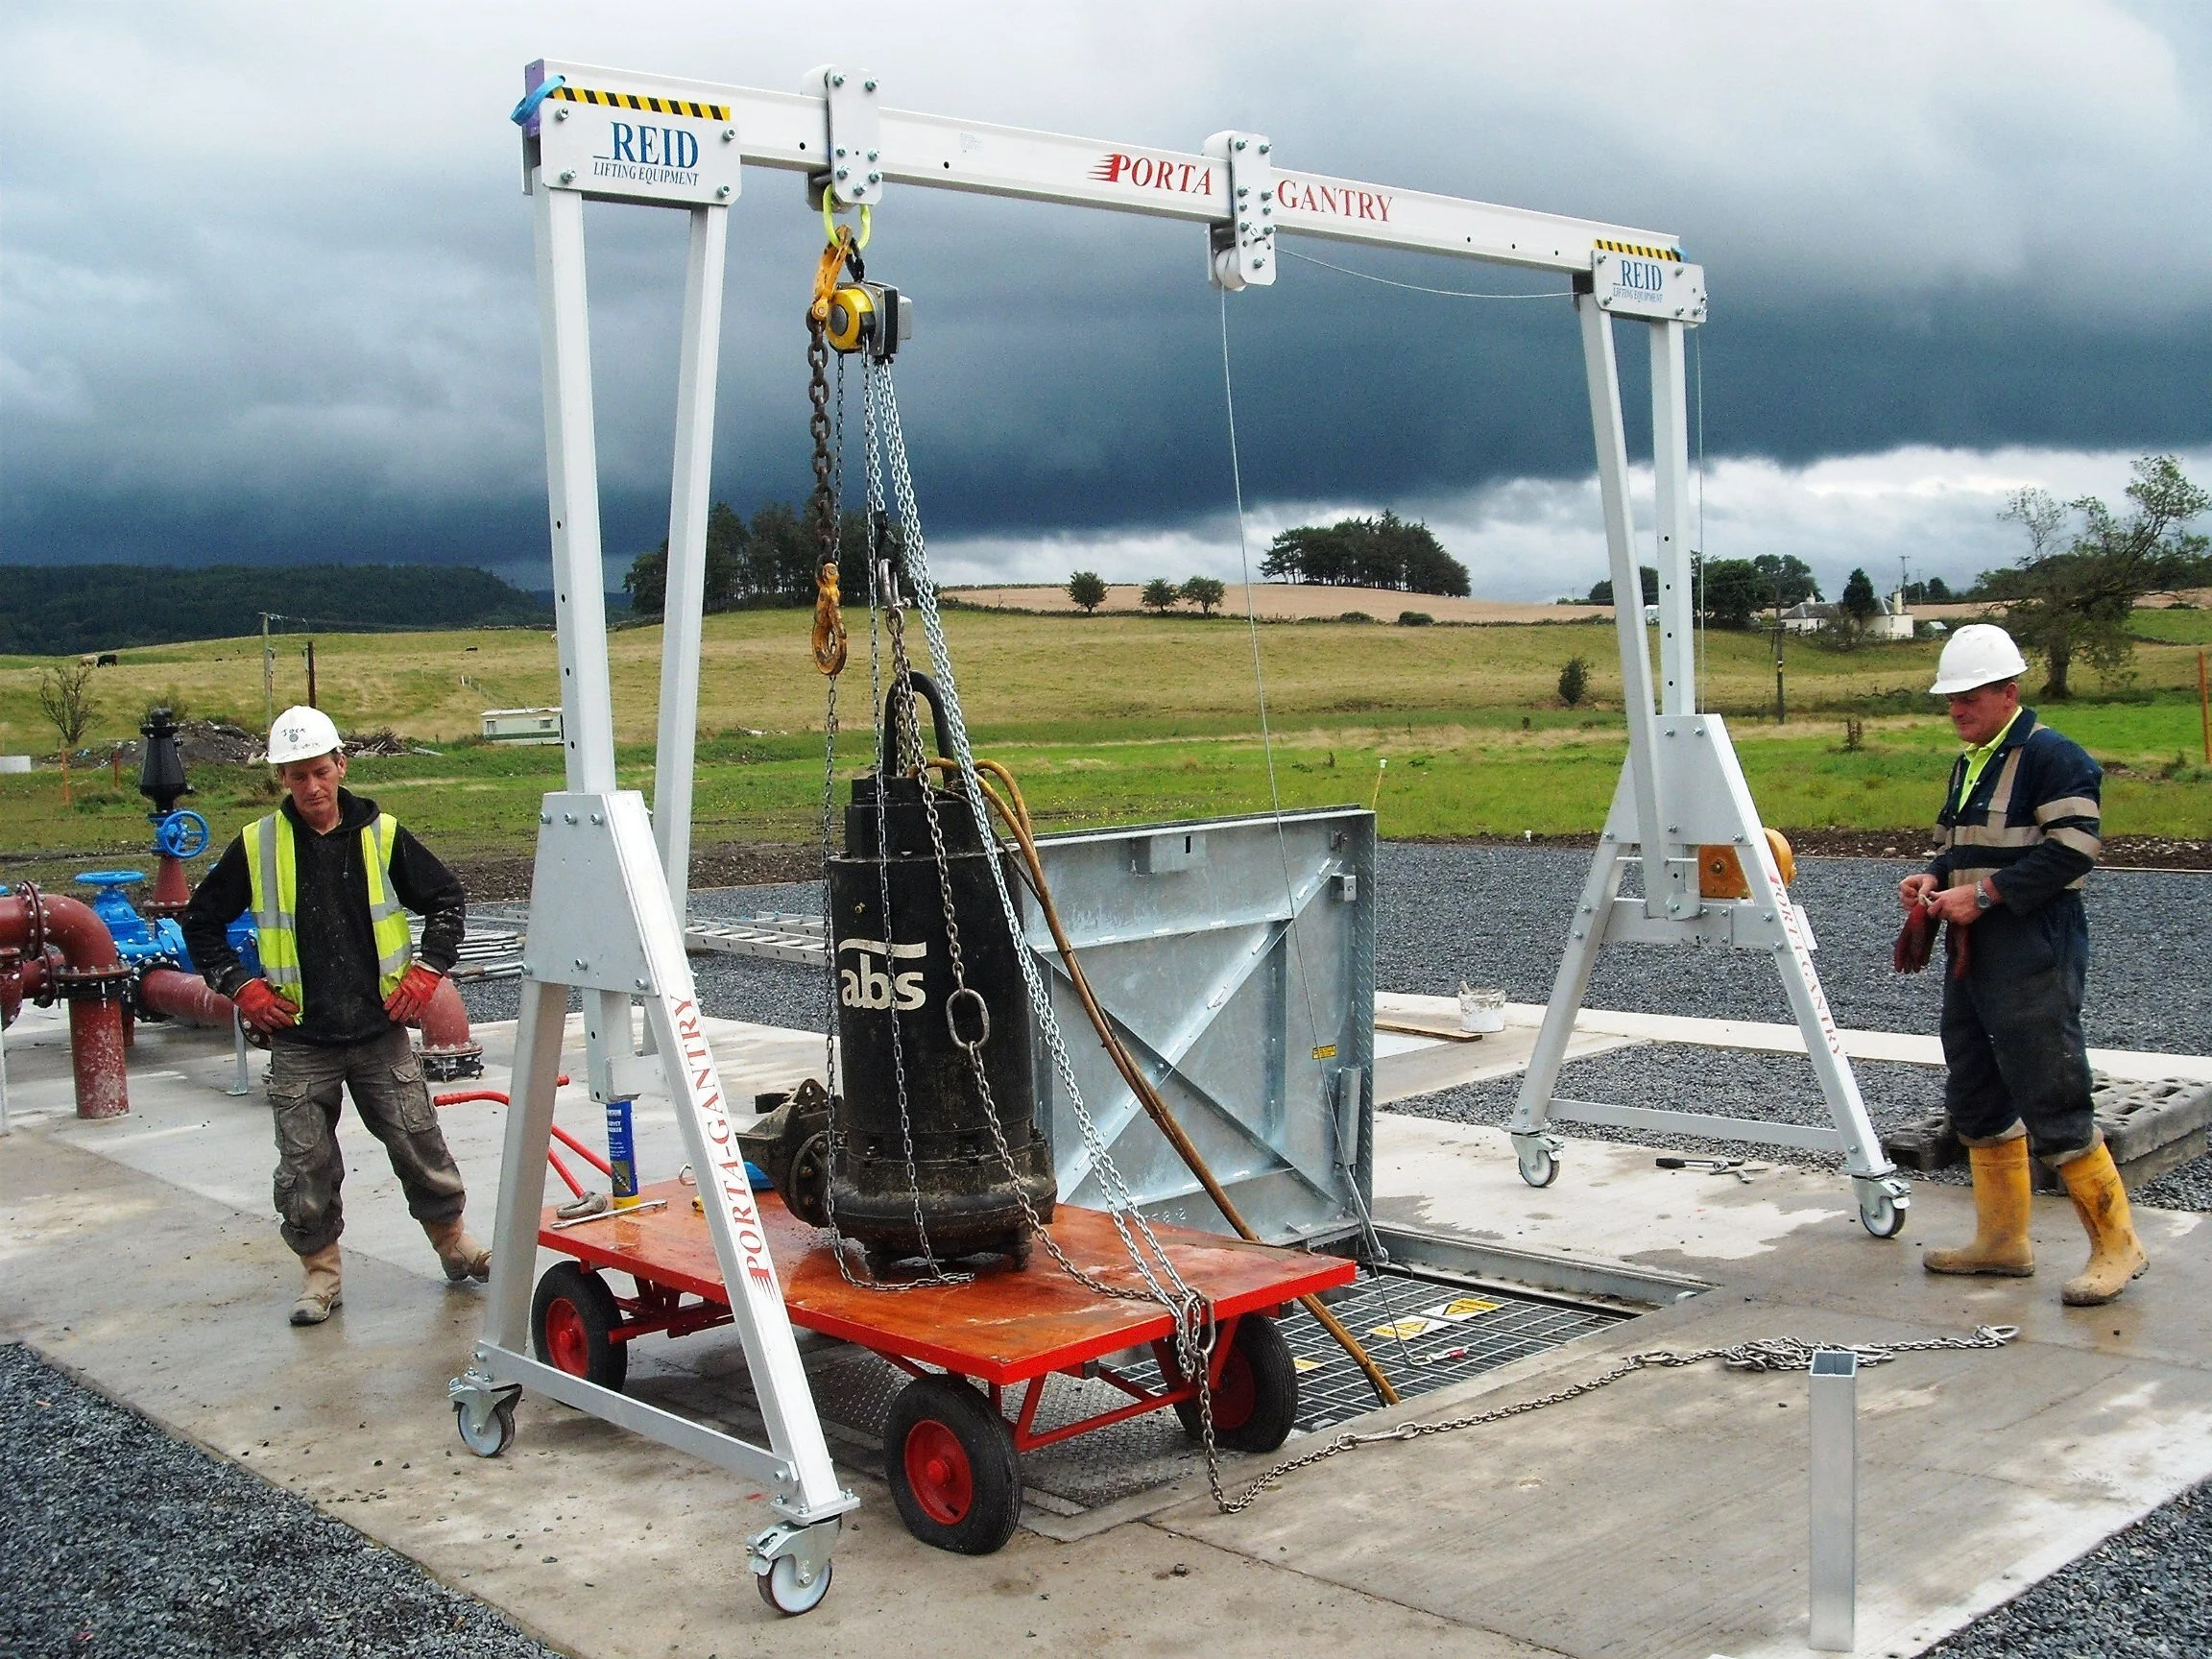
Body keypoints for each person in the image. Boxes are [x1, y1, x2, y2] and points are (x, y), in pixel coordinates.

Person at [183, 706, 491, 1325]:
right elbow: (202, 921)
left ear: (341, 767)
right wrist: (240, 987)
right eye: (297, 777)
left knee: (417, 1142)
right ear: (284, 781)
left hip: (379, 1032)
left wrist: (427, 974)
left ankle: (454, 1246)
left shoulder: (382, 834)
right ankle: (320, 1276)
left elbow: (447, 898)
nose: (312, 787)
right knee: (305, 1164)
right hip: (301, 1036)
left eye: (320, 772)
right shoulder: (258, 845)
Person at [1899, 624, 2146, 1306]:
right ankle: (2003, 1241)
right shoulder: (1972, 762)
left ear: (2009, 692)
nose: (1956, 712)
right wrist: (1931, 877)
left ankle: (2117, 1245)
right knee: (1975, 1085)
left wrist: (1985, 894)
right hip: (1975, 946)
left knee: (2051, 1085)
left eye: (1968, 699)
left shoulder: (2055, 758)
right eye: (1950, 701)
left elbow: (2074, 851)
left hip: (2035, 943)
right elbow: (1958, 846)